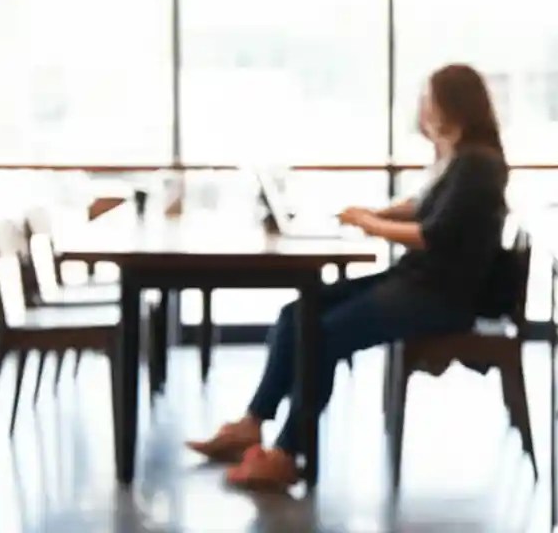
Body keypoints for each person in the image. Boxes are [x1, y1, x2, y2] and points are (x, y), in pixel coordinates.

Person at [187, 63, 509, 491]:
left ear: (452, 104)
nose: (424, 107)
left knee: (322, 334)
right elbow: (424, 206)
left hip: (438, 297)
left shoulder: (478, 164)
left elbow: (434, 234)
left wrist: (371, 225)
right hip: (418, 281)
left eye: (430, 99)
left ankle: (287, 453)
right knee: (295, 315)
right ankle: (252, 422)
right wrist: (372, 213)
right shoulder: (458, 157)